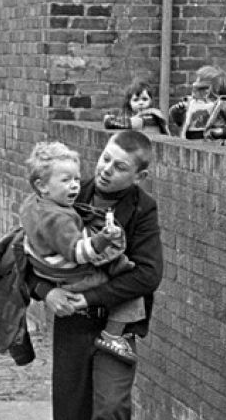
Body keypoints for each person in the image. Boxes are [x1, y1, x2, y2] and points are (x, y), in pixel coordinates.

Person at [31, 129, 164, 420]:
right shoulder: (68, 190)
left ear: (140, 175)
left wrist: (87, 297)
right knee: (71, 417)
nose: (105, 170)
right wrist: (46, 293)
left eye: (120, 167)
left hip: (116, 326)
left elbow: (147, 274)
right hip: (71, 324)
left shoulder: (142, 210)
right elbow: (26, 254)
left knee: (109, 412)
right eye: (105, 159)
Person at [18, 141, 141, 364]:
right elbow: (78, 252)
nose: (75, 186)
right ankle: (112, 335)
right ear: (42, 186)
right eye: (66, 180)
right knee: (130, 286)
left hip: (52, 271)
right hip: (73, 277)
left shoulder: (33, 204)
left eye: (76, 179)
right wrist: (103, 239)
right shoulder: (58, 218)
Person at [168, 65, 226, 148]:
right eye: (196, 88)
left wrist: (223, 131)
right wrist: (177, 112)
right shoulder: (190, 102)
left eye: (202, 89)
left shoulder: (223, 105)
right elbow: (179, 121)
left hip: (215, 144)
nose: (196, 92)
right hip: (191, 144)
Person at [103, 77, 169, 136]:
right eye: (136, 100)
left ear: (151, 101)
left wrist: (109, 121)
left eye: (145, 99)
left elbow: (129, 123)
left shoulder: (152, 116)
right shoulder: (131, 114)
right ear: (129, 103)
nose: (140, 103)